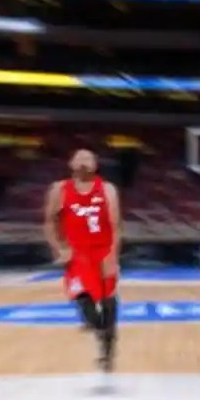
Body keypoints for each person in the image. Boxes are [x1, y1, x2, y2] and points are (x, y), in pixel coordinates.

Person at [44, 149, 122, 373]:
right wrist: (58, 249)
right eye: (79, 158)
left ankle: (107, 348)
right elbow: (49, 222)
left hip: (103, 250)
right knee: (82, 295)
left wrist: (113, 256)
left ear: (96, 166)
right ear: (70, 163)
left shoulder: (107, 189)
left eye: (88, 159)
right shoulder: (59, 189)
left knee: (108, 302)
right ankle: (96, 325)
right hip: (78, 252)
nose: (83, 163)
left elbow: (116, 227)